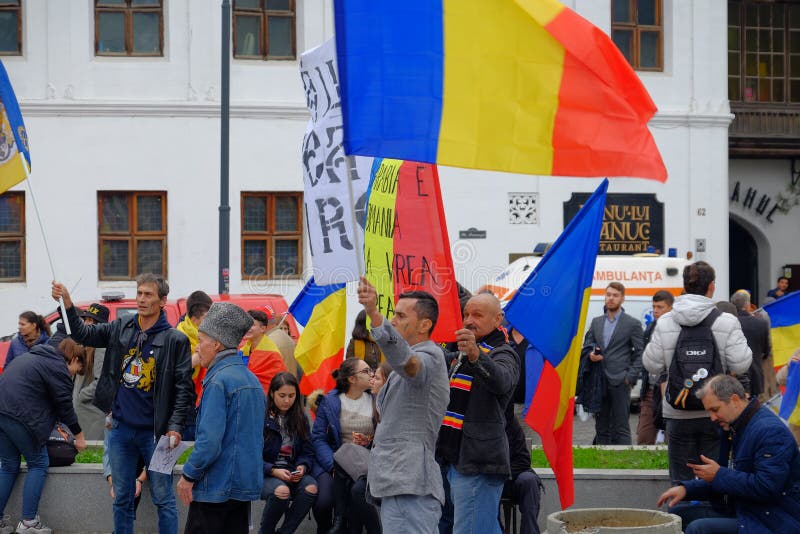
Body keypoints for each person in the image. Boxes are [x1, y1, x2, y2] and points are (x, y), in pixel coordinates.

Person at [51, 274, 195, 534]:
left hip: (157, 435)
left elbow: (184, 388)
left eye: (148, 294)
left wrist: (175, 426)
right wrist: (68, 305)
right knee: (122, 499)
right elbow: (83, 333)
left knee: (163, 499)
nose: (141, 299)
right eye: (139, 293)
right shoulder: (121, 327)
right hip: (120, 430)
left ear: (163, 301)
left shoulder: (175, 340)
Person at [643, 261, 753, 485]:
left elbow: (651, 364)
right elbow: (741, 365)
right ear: (711, 286)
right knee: (714, 478)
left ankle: (682, 506)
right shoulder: (726, 321)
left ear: (684, 285)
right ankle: (709, 508)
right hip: (715, 412)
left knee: (681, 482)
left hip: (678, 410)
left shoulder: (665, 322)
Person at [357, 277, 450, 534]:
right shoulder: (404, 363)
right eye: (392, 314)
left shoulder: (431, 356)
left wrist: (374, 314)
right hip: (396, 482)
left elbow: (410, 366)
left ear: (424, 324)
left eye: (400, 315)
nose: (393, 320)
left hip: (412, 483)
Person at [656, 375, 800, 533]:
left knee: (699, 529)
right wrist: (687, 489)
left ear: (735, 400)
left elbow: (766, 488)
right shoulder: (734, 426)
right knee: (676, 514)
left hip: (773, 520)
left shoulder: (770, 431)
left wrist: (718, 475)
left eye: (715, 409)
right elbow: (725, 478)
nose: (712, 418)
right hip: (746, 509)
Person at [177, 303, 265, 533]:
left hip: (215, 488)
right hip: (241, 488)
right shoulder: (251, 379)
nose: (197, 347)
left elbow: (209, 442)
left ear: (216, 344)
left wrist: (189, 475)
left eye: (201, 340)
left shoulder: (218, 381)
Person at [436, 292, 519, 534]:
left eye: (477, 315)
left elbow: (501, 381)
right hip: (455, 459)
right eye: (466, 315)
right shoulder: (462, 353)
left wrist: (475, 355)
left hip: (478, 463)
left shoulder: (503, 352)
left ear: (498, 319)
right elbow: (435, 359)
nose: (469, 321)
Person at [0, 338, 88, 534]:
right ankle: (28, 522)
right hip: (21, 415)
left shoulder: (34, 357)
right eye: (77, 370)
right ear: (74, 359)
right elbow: (65, 407)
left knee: (9, 465)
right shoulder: (59, 369)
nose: (73, 375)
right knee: (38, 463)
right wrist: (79, 437)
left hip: (2, 411)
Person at [311, 358, 379, 534]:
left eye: (371, 370)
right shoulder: (330, 401)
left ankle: (345, 525)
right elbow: (318, 438)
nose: (371, 374)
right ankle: (326, 528)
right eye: (365, 371)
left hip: (364, 462)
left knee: (355, 494)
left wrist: (369, 441)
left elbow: (384, 435)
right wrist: (332, 465)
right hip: (335, 462)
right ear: (351, 379)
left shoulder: (376, 399)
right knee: (323, 502)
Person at [581, 282, 644, 445]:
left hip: (621, 381)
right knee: (601, 427)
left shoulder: (632, 323)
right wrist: (591, 354)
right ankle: (602, 458)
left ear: (622, 298)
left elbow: (640, 352)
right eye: (608, 295)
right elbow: (587, 345)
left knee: (621, 426)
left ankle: (624, 458)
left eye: (615, 295)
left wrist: (630, 377)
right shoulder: (596, 322)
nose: (611, 298)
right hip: (599, 380)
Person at [259, 372, 317, 534]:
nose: (287, 401)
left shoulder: (300, 417)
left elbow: (308, 451)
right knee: (282, 492)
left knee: (311, 488)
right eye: (282, 395)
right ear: (272, 393)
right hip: (265, 472)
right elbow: (250, 456)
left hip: (291, 471)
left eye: (291, 396)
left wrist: (302, 467)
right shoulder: (261, 416)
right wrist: (273, 470)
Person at [637, 290, 673, 445]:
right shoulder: (650, 328)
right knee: (644, 436)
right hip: (651, 388)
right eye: (654, 307)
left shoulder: (677, 328)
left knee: (672, 434)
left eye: (660, 307)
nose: (656, 311)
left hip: (670, 389)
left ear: (670, 308)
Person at [70, 303, 111, 440]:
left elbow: (101, 380)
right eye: (86, 319)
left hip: (91, 412)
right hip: (83, 410)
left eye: (91, 321)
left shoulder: (101, 347)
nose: (86, 323)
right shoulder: (86, 343)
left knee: (91, 448)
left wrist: (82, 396)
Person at [502, 413, 543, 534]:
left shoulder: (510, 420)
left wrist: (503, 474)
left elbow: (523, 461)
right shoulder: (479, 418)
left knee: (529, 480)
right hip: (488, 479)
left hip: (511, 477)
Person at [730, 290, 772, 401]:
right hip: (755, 375)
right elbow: (766, 351)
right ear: (747, 305)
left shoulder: (729, 322)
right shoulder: (761, 323)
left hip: (734, 376)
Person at [176, 290, 213, 403]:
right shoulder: (177, 338)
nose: (210, 322)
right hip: (185, 399)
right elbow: (173, 372)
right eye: (206, 318)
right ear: (194, 319)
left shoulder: (209, 336)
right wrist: (196, 358)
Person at [242, 309, 287, 396]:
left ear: (262, 328)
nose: (247, 328)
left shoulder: (272, 354)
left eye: (252, 325)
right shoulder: (242, 351)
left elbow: (280, 384)